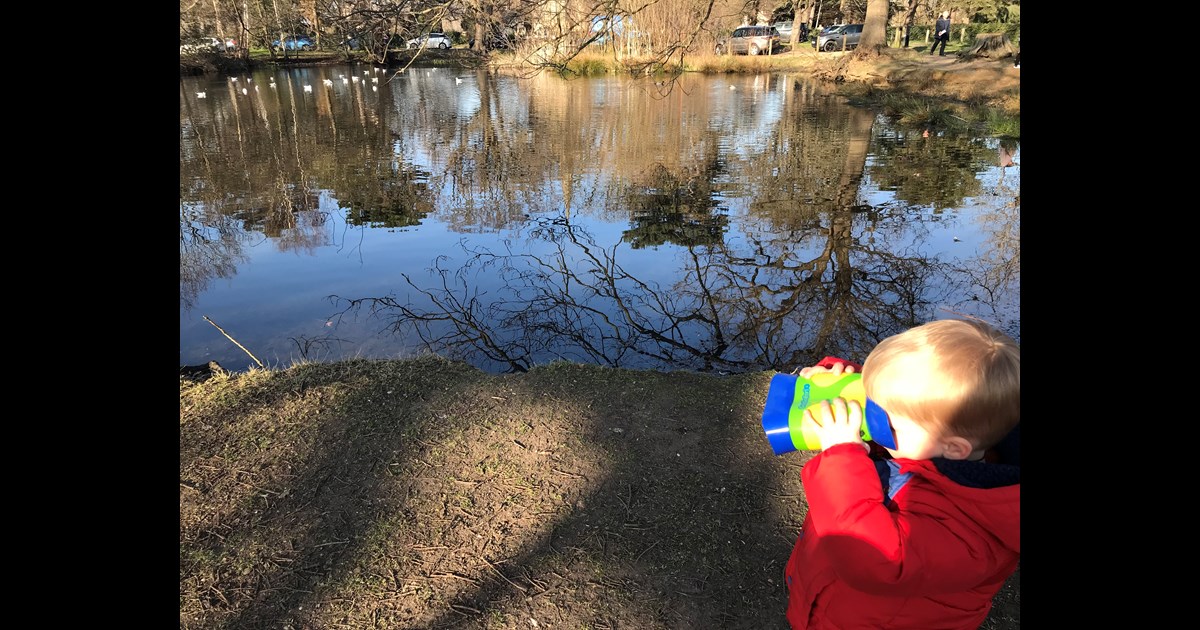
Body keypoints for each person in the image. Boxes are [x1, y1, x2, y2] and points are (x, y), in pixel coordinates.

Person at [783, 318, 1020, 629]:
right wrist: (839, 382)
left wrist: (842, 457)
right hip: (833, 596)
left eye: (887, 424)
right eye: (870, 403)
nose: (873, 422)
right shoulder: (926, 438)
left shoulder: (973, 535)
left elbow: (875, 559)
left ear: (954, 448)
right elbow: (908, 405)